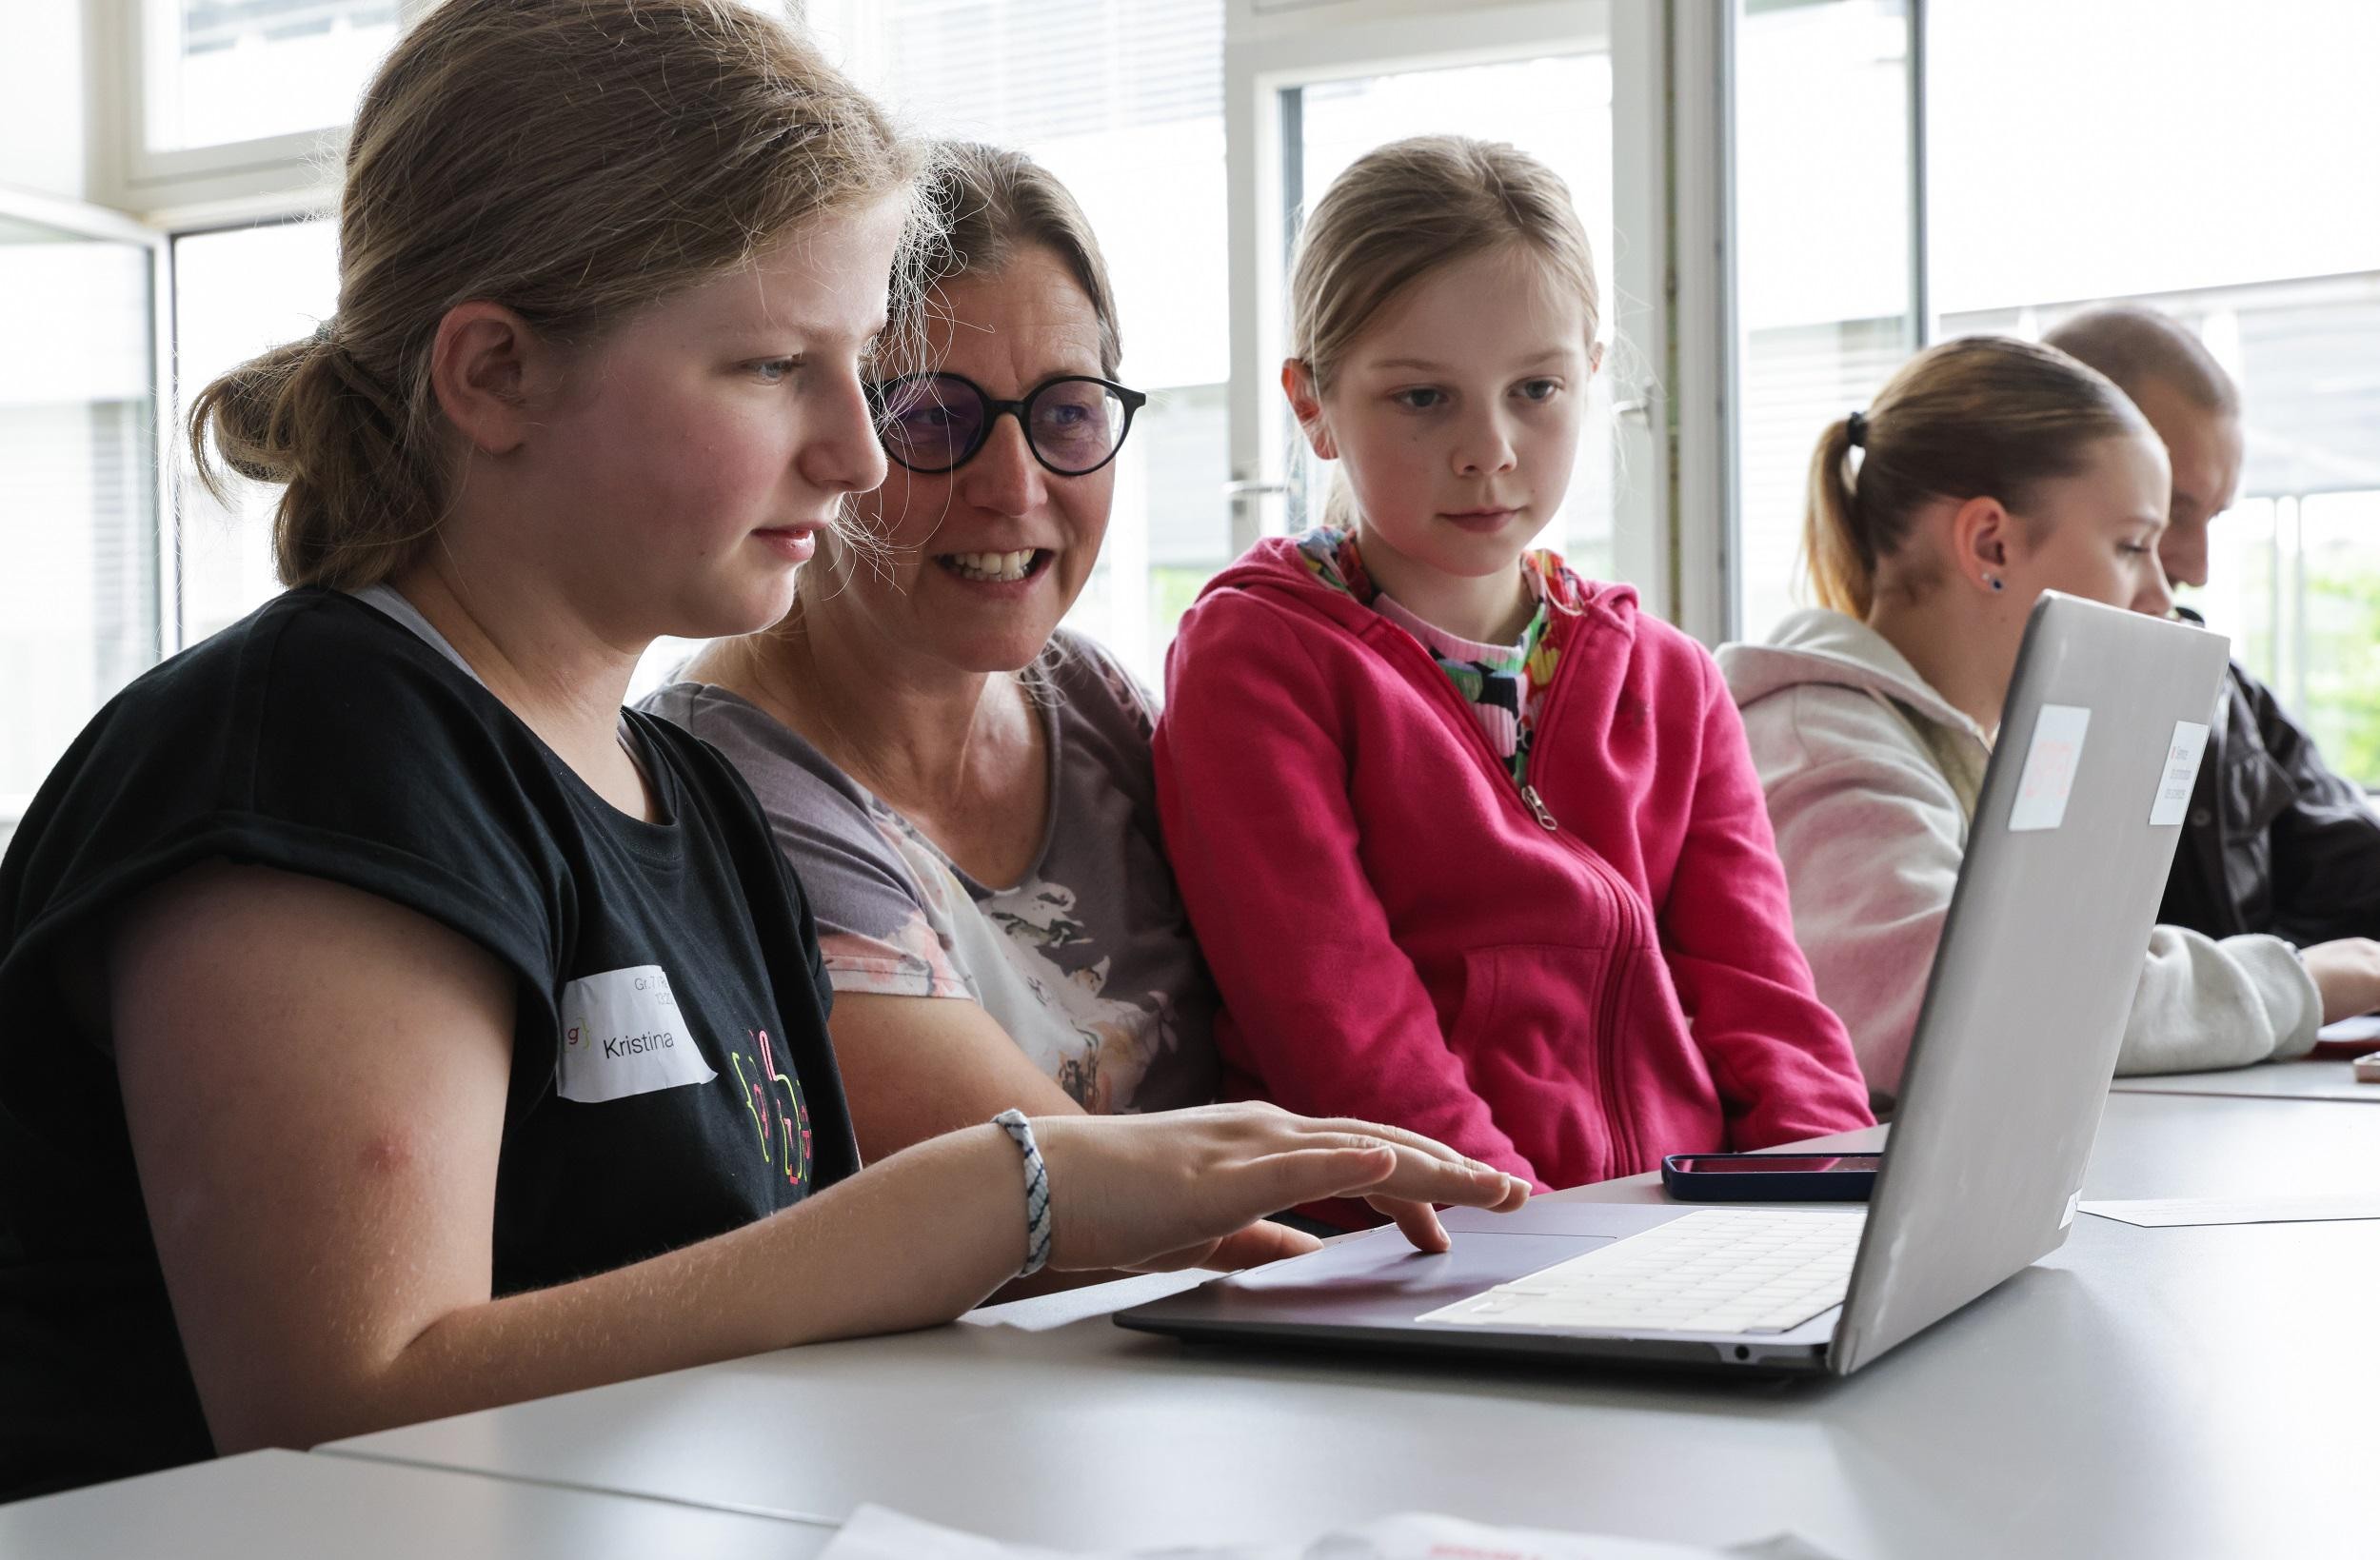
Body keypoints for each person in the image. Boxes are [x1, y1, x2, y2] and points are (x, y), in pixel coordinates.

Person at [0, 1, 1527, 1502]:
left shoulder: (698, 807)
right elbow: (343, 1410)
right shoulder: (312, 750)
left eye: (856, 370)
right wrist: (1010, 1193)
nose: (859, 456)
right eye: (769, 367)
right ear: (494, 375)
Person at [1153, 135, 1874, 1204]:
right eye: (1421, 398)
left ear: (1590, 374)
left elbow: (1762, 1003)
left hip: (1676, 1243)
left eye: (1534, 386)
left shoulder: (1672, 682)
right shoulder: (1255, 661)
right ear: (1312, 403)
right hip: (1423, 1253)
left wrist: (1840, 1198)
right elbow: (1345, 1029)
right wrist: (1525, 1234)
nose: (1487, 448)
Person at [648, 143, 1218, 1163]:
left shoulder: (1089, 697)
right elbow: (1066, 1209)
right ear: (824, 438)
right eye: (928, 417)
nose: (1014, 483)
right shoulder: (720, 795)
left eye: (1066, 413)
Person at [1719, 335, 2380, 1101]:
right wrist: (2295, 984)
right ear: (1991, 543)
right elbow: (1981, 1012)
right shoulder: (1825, 749)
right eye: (2133, 545)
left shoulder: (1983, 744)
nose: (2163, 596)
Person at [2044, 306, 2380, 948]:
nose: (2196, 568)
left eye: (2215, 518)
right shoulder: (1979, 729)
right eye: (2169, 512)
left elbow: (2355, 874)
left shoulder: (2221, 693)